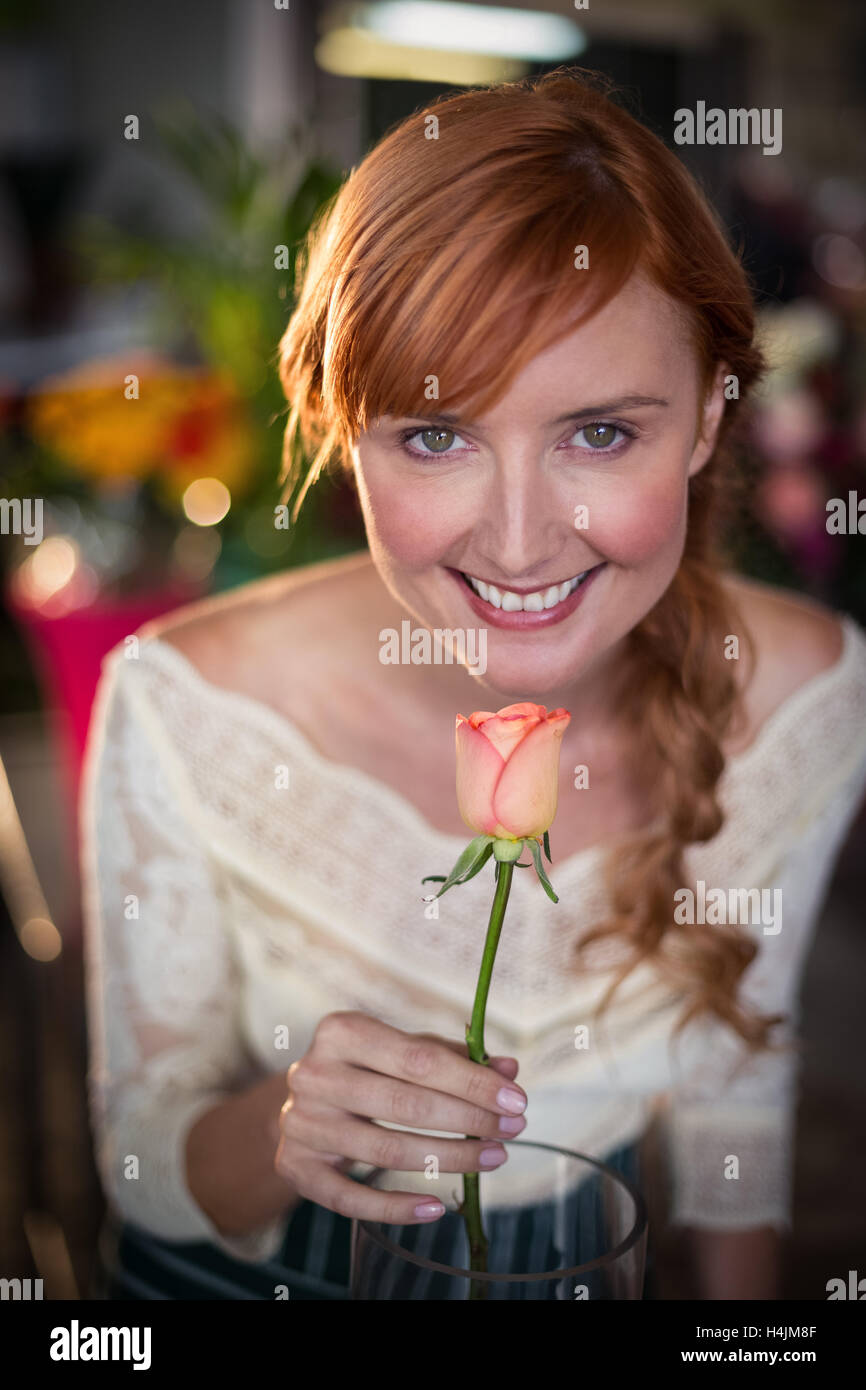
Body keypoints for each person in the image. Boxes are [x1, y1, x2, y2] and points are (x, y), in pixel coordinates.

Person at [82, 66, 866, 1301]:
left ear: (711, 418)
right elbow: (134, 1159)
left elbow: (736, 1087)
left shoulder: (810, 695)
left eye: (599, 431)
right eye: (435, 434)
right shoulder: (186, 699)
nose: (514, 543)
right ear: (346, 426)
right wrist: (288, 1126)